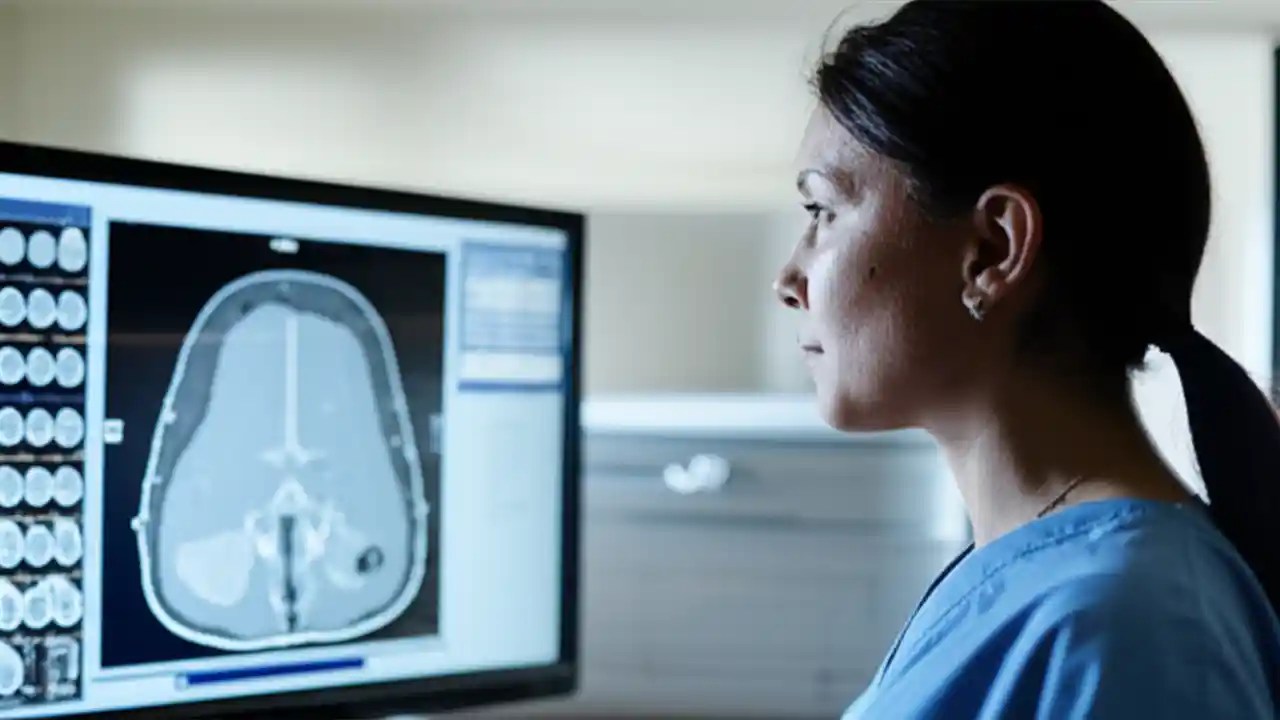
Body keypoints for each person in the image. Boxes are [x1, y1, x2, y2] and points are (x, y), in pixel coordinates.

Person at [773, 1, 1280, 717]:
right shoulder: (1040, 577)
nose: (788, 280)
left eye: (822, 212)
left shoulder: (1130, 621)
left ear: (993, 250)